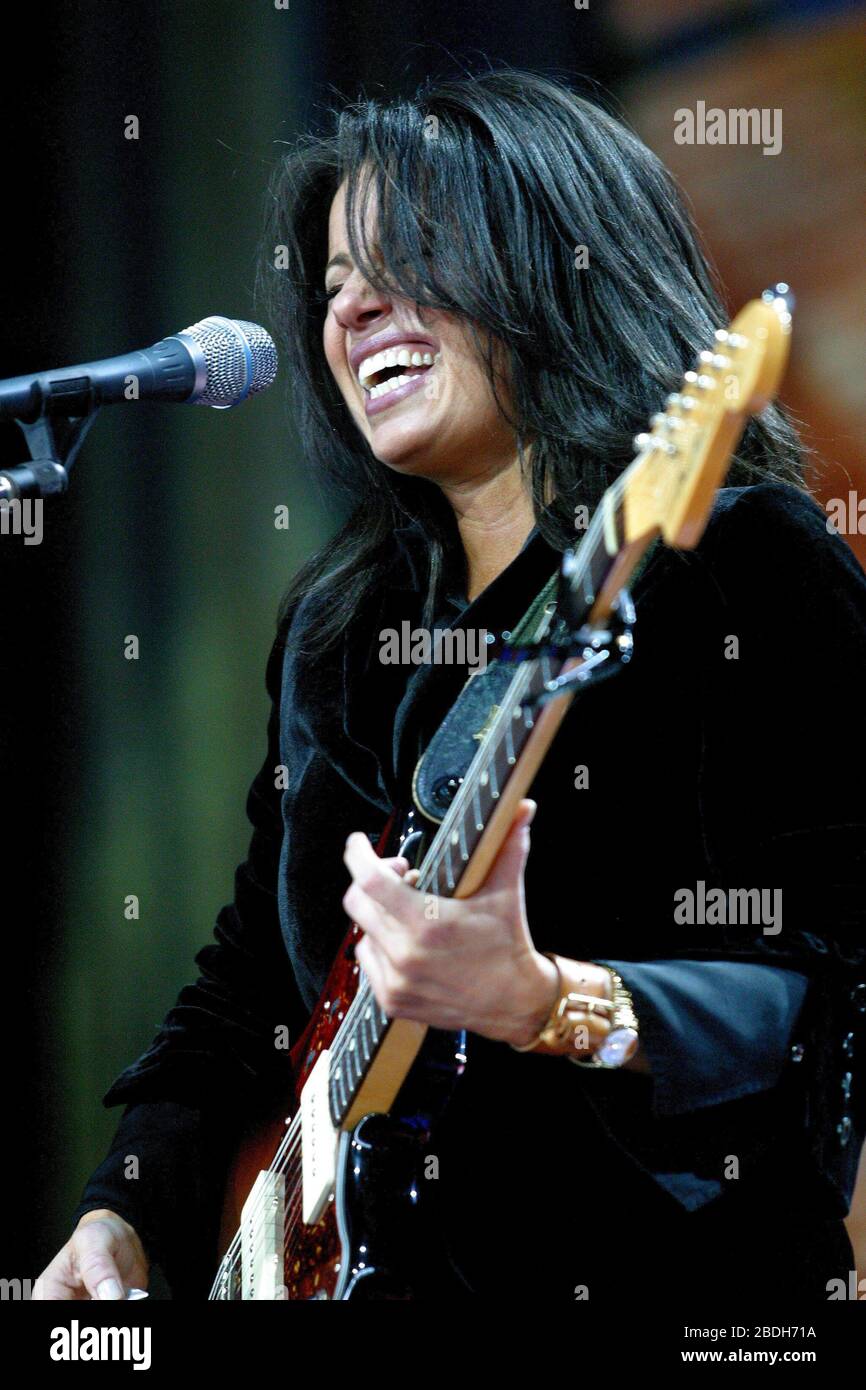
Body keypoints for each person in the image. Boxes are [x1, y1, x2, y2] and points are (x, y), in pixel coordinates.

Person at [35, 69, 866, 1303]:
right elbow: (253, 978)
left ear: (552, 260)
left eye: (404, 258)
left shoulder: (735, 563)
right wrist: (128, 1205)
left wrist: (544, 1001)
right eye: (332, 288)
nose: (354, 306)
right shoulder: (336, 625)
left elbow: (831, 983)